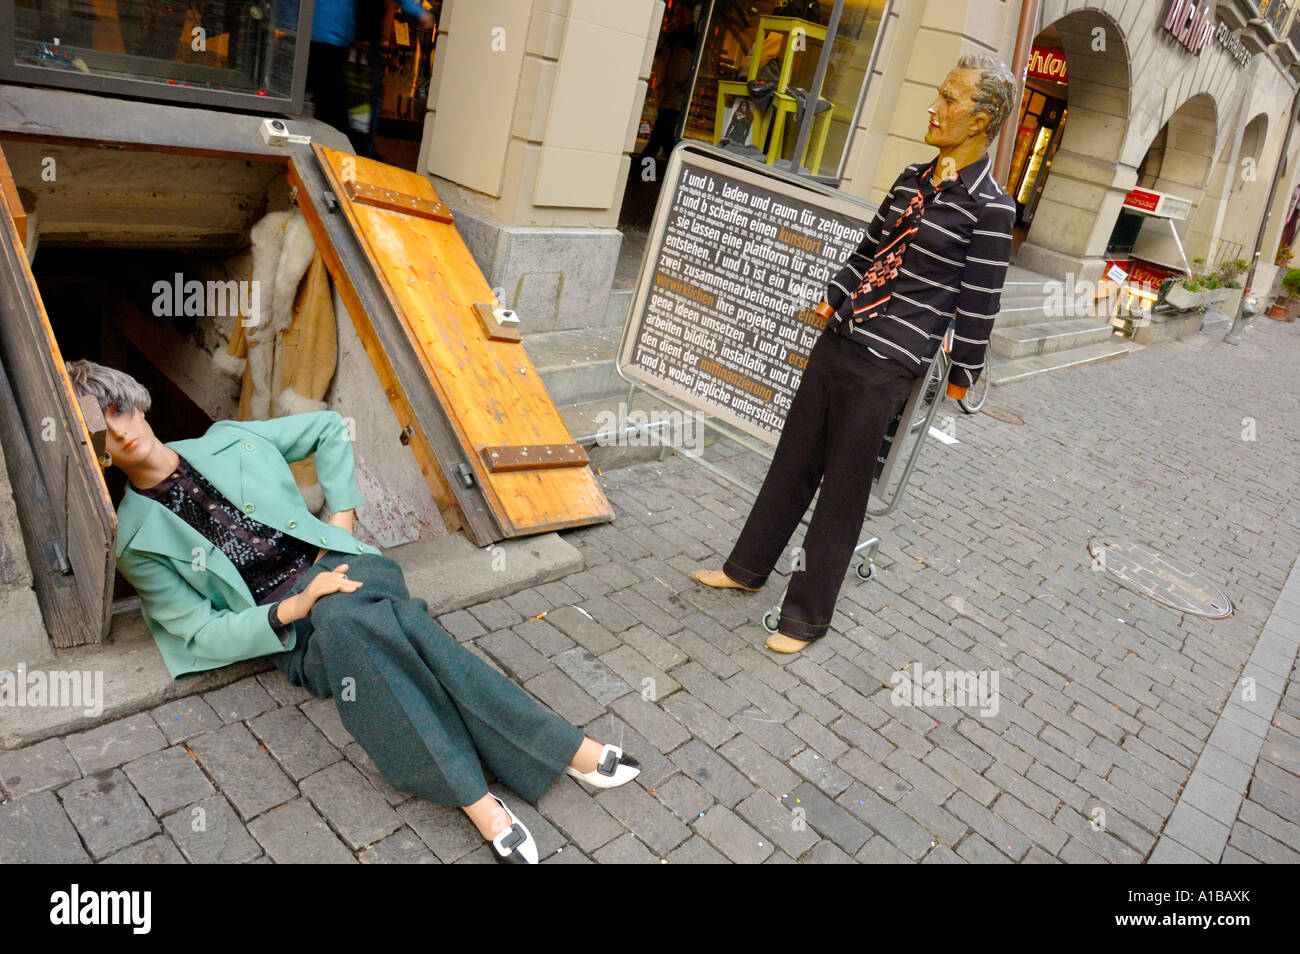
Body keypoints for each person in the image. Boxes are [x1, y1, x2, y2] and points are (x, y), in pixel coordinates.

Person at [69, 360, 640, 864]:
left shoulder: (232, 438)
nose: (120, 431)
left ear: (138, 404)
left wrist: (341, 524)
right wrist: (294, 605)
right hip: (291, 632)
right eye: (103, 429)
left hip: (350, 571)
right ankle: (561, 748)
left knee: (351, 619)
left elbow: (326, 428)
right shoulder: (136, 540)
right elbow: (197, 632)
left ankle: (471, 797)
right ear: (94, 449)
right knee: (372, 627)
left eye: (120, 410)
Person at [692, 54, 1019, 655]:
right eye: (939, 94)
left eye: (949, 99)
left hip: (890, 362)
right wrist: (833, 298)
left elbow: (980, 301)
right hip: (841, 338)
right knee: (793, 460)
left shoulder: (991, 207)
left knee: (843, 489)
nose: (935, 107)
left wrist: (963, 373)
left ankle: (804, 618)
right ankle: (746, 568)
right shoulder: (911, 179)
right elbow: (868, 248)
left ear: (982, 118)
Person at [307, 0, 434, 150]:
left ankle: (325, 148)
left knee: (322, 101)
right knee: (346, 104)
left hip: (311, 31)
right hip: (335, 34)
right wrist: (419, 12)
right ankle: (352, 151)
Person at [636, 3, 697, 165]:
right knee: (664, 136)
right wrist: (664, 34)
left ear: (691, 18)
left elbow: (701, 69)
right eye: (677, 15)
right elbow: (654, 53)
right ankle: (672, 168)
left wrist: (686, 87)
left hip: (677, 96)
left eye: (682, 16)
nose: (679, 20)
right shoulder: (669, 35)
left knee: (660, 134)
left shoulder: (695, 39)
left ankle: (640, 170)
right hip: (663, 91)